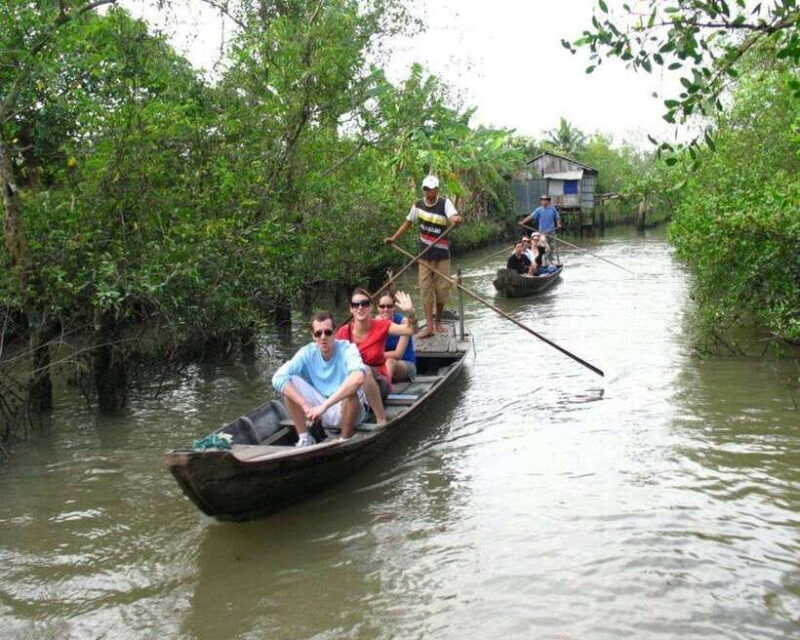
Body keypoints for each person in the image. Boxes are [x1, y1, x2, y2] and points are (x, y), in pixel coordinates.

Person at [272, 310, 370, 447]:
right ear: (313, 335)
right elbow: (277, 378)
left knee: (351, 389)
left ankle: (344, 439)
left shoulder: (347, 349)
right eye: (318, 334)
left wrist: (324, 406)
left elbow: (358, 378)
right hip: (320, 409)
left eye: (327, 332)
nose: (323, 337)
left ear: (335, 332)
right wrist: (306, 406)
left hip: (349, 410)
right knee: (289, 382)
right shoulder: (307, 352)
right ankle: (304, 438)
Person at [384, 175, 463, 338]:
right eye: (425, 189)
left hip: (442, 256)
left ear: (437, 190)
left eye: (431, 189)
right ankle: (429, 327)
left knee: (441, 291)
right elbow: (408, 223)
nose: (428, 192)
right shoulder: (418, 205)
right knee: (426, 290)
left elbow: (453, 217)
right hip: (424, 256)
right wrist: (394, 238)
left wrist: (456, 220)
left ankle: (438, 322)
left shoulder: (445, 203)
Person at [336, 289, 418, 420]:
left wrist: (410, 313)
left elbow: (411, 330)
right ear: (351, 309)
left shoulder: (382, 325)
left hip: (379, 382)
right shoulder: (343, 332)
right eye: (356, 305)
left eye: (364, 304)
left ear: (370, 307)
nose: (360, 307)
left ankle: (381, 419)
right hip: (354, 383)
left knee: (365, 369)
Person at [377, 292, 417, 382]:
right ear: (378, 308)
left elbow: (398, 354)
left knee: (390, 362)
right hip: (381, 362)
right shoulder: (375, 322)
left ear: (394, 307)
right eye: (382, 306)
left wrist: (373, 356)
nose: (386, 309)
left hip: (405, 364)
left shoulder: (403, 322)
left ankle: (385, 387)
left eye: (389, 306)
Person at [520, 195, 561, 261]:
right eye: (542, 200)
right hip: (542, 233)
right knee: (544, 247)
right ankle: (543, 259)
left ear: (548, 201)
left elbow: (557, 217)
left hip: (551, 231)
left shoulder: (553, 209)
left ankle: (550, 260)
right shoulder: (538, 210)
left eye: (545, 200)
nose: (543, 201)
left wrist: (558, 224)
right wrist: (523, 222)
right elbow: (531, 216)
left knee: (552, 247)